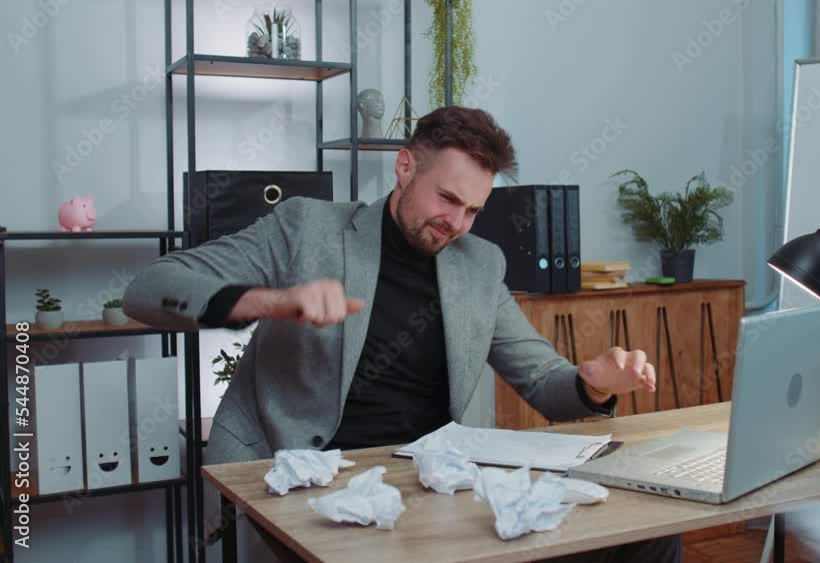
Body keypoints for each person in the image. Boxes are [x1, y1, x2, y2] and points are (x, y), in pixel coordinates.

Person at [123, 106, 680, 562]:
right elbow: (150, 289)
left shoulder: (479, 264)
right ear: (405, 166)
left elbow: (542, 381)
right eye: (447, 199)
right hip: (306, 472)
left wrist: (593, 383)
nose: (457, 224)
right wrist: (270, 301)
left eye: (473, 210)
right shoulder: (307, 228)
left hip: (429, 480)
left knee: (648, 541)